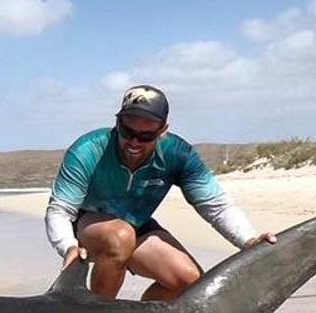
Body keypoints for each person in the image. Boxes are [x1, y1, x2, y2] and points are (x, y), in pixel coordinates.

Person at [44, 85, 276, 301]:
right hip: (85, 226)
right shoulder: (88, 150)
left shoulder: (178, 154)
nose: (134, 142)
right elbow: (60, 210)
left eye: (146, 136)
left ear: (163, 130)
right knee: (120, 237)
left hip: (136, 225)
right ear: (117, 122)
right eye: (127, 131)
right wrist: (67, 245)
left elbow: (216, 205)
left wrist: (248, 239)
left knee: (189, 282)